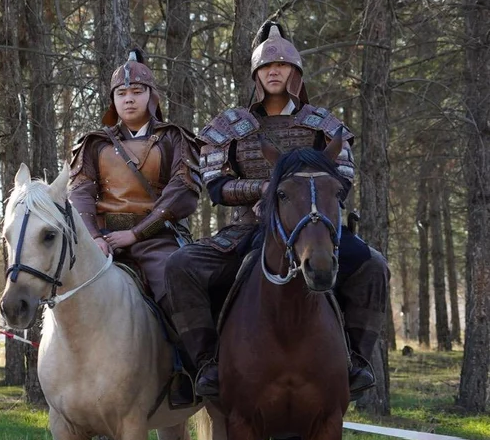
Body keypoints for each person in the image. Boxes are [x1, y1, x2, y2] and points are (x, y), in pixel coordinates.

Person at [164, 21, 389, 402]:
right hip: (249, 228)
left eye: (282, 65)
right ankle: (206, 363)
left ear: (295, 72)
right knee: (180, 265)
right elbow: (216, 185)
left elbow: (342, 179)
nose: (274, 72)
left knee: (375, 266)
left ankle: (355, 361)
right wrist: (264, 189)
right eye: (266, 66)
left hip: (311, 228)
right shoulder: (229, 126)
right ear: (256, 74)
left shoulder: (323, 125)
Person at [67, 49, 202, 406]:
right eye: (122, 93)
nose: (129, 99)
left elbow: (182, 192)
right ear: (113, 99)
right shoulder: (94, 143)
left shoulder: (174, 138)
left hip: (157, 239)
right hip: (102, 240)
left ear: (151, 96)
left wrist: (137, 233)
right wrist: (94, 237)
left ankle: (190, 370)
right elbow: (79, 193)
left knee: (176, 284)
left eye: (137, 92)